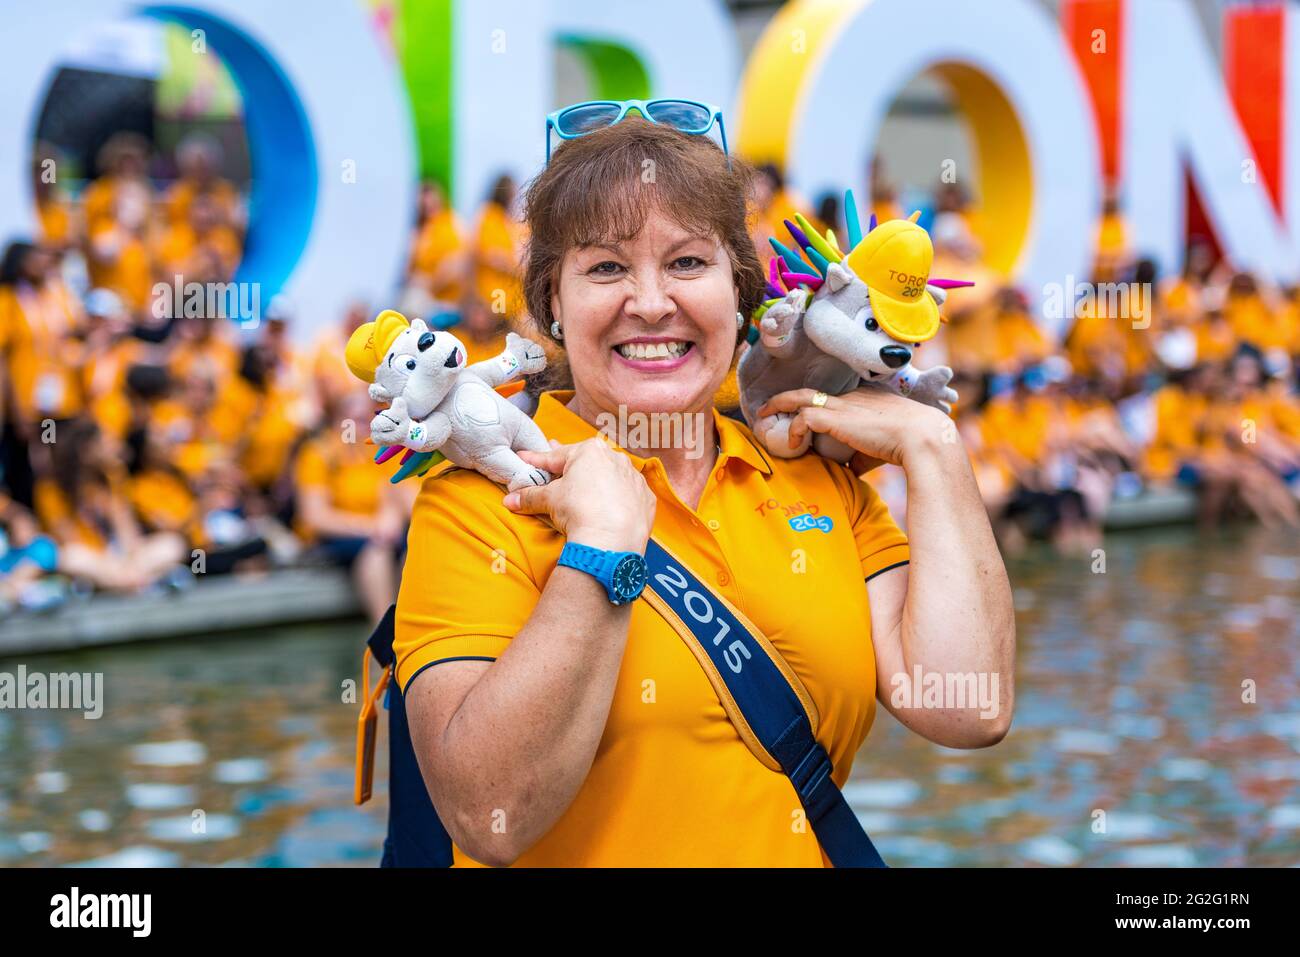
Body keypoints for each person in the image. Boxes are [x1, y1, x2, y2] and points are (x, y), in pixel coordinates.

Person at [394, 113, 1015, 867]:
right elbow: (489, 818)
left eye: (688, 263)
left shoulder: (816, 477)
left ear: (739, 289)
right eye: (606, 268)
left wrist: (934, 446)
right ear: (552, 302)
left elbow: (971, 706)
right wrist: (598, 550)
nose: (651, 303)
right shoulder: (476, 502)